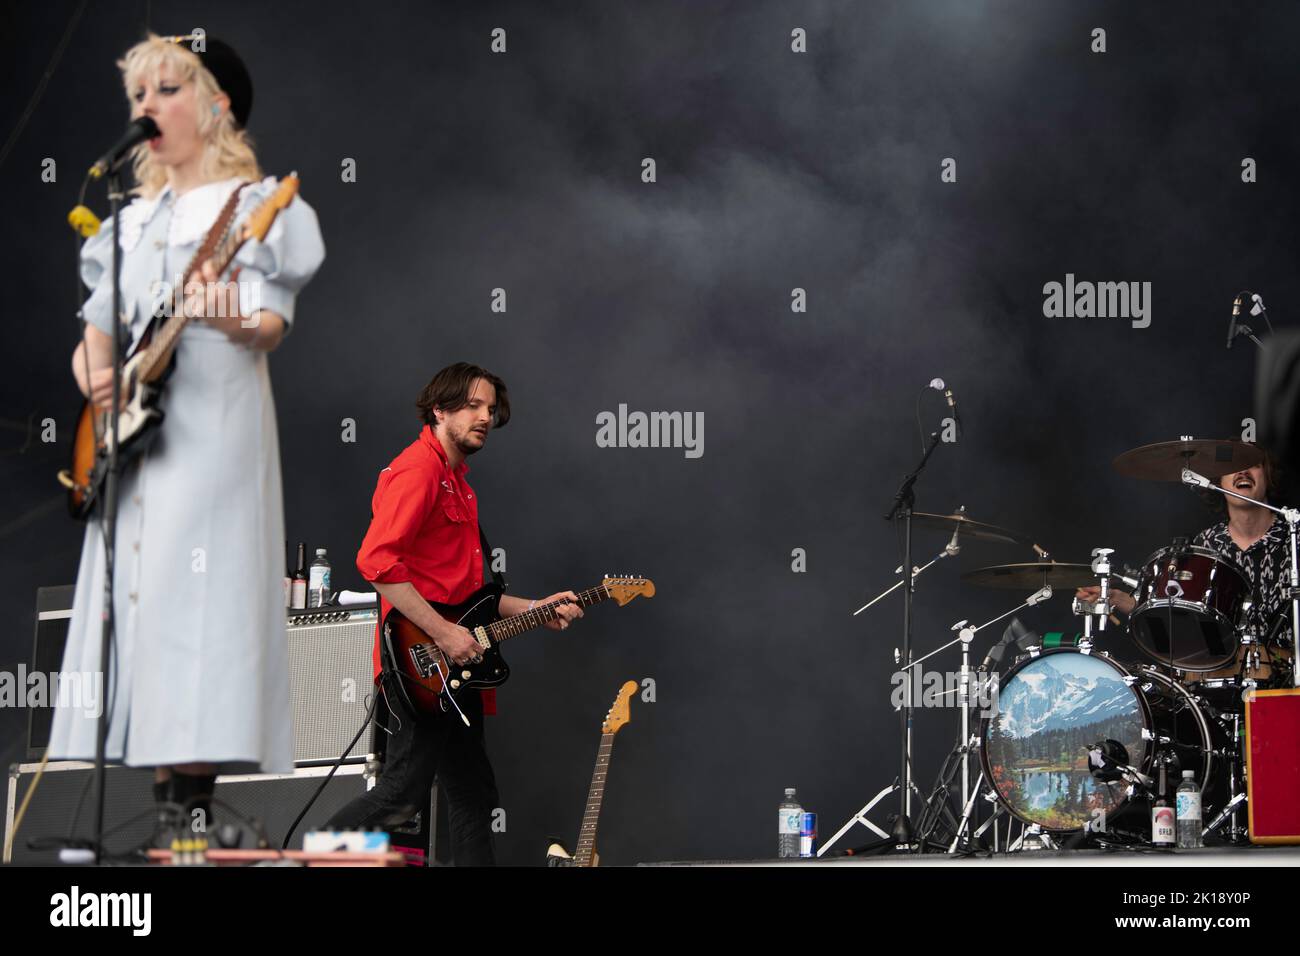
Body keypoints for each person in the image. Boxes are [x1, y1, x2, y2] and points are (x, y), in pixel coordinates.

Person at [48, 34, 325, 834]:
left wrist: (221, 310)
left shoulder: (257, 206)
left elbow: (270, 324)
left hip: (214, 430)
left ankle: (189, 817)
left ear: (216, 105)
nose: (147, 109)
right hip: (133, 438)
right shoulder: (130, 221)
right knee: (138, 601)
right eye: (139, 96)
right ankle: (169, 816)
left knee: (196, 602)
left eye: (166, 90)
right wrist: (92, 374)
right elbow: (98, 331)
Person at [322, 363, 583, 865]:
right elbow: (375, 562)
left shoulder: (458, 482)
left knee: (473, 799)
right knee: (400, 795)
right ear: (439, 409)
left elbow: (472, 597)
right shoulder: (418, 471)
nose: (485, 417)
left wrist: (535, 608)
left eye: (490, 409)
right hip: (421, 664)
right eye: (472, 406)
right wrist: (443, 634)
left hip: (455, 671)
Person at [1077, 459, 1294, 677]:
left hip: (1288, 673)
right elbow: (1181, 613)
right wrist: (1118, 599)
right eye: (1232, 466)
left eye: (1253, 465)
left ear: (1268, 475)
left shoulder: (1294, 539)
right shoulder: (1205, 544)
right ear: (1218, 481)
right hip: (1220, 675)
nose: (1242, 471)